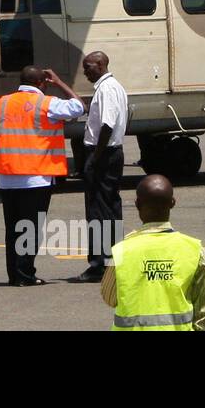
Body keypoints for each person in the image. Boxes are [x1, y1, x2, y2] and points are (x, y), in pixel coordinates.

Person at [0, 66, 85, 286]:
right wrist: (59, 82)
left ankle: (15, 274)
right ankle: (25, 274)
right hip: (36, 177)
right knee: (30, 228)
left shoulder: (1, 104)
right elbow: (79, 107)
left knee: (12, 228)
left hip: (8, 176)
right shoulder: (47, 103)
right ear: (42, 83)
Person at [102, 175, 205, 330]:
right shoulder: (193, 249)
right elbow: (203, 311)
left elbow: (109, 297)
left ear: (137, 204)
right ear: (172, 203)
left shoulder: (122, 250)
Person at [75, 51, 130, 283]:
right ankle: (116, 259)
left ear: (100, 64)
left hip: (104, 153)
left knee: (97, 210)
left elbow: (107, 124)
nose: (85, 71)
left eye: (88, 67)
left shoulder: (107, 89)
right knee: (111, 207)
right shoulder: (115, 87)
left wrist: (95, 157)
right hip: (112, 152)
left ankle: (98, 265)